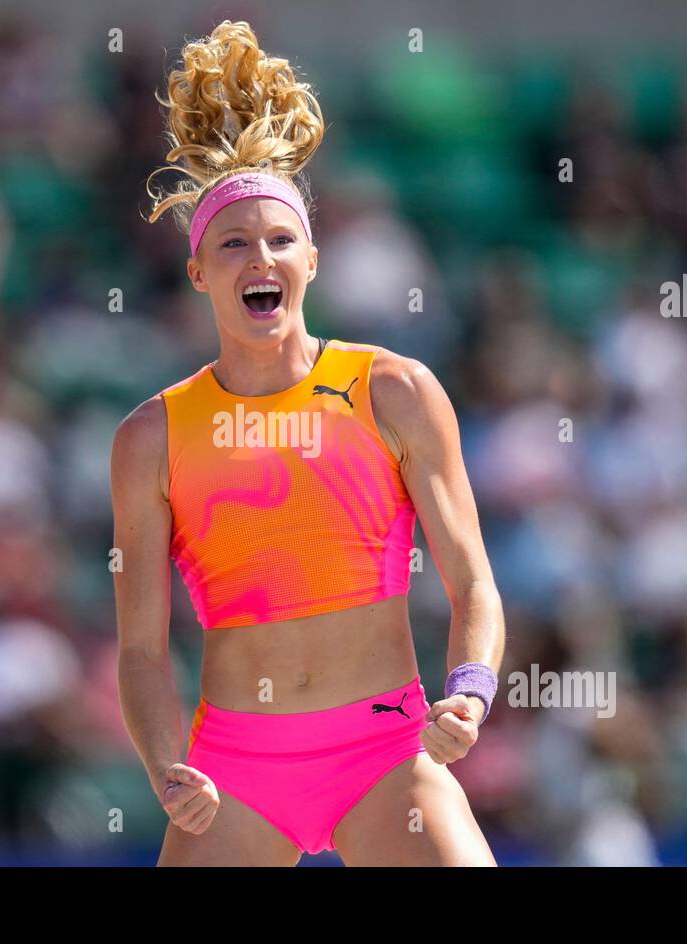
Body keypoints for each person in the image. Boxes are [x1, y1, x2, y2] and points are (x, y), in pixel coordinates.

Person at [112, 20, 505, 866]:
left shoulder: (392, 390)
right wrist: (163, 768)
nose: (262, 257)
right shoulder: (153, 435)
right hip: (235, 777)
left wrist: (469, 695)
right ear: (199, 272)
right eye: (235, 244)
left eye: (281, 239)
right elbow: (142, 646)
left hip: (389, 756)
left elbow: (472, 577)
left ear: (313, 260)